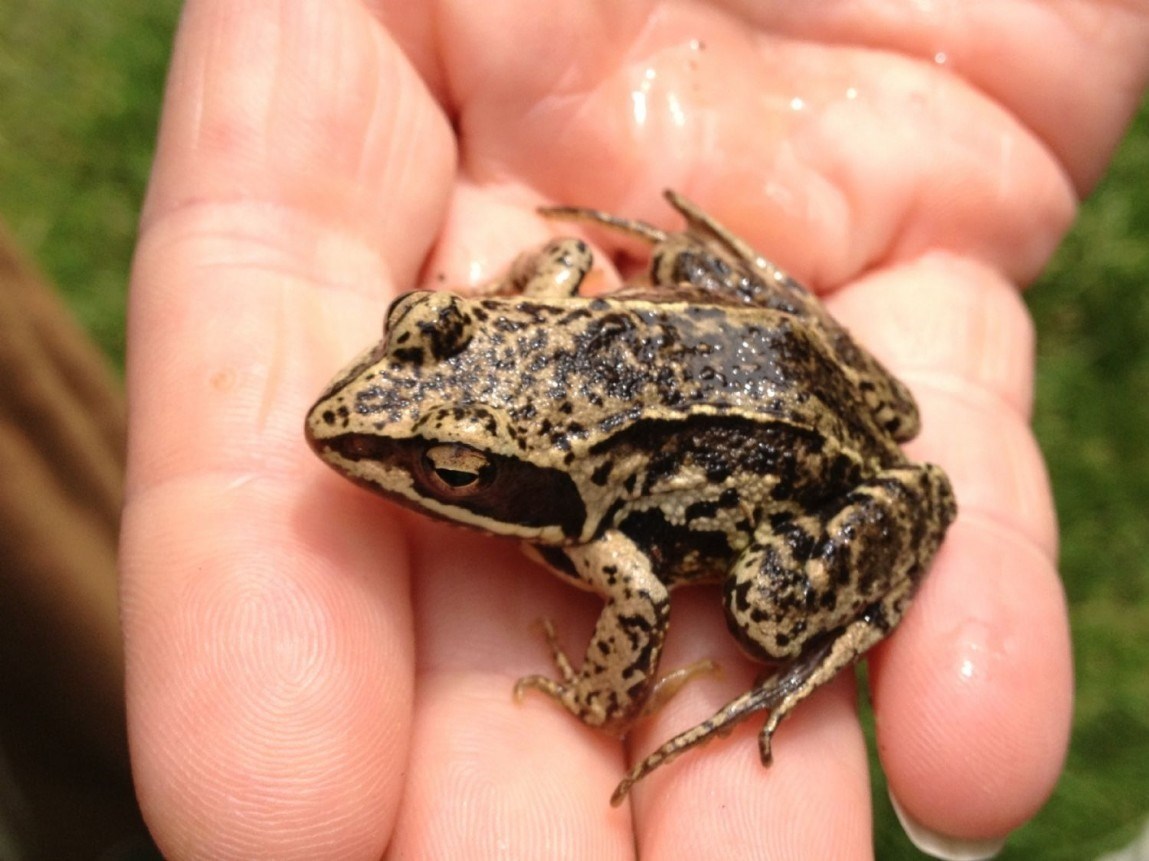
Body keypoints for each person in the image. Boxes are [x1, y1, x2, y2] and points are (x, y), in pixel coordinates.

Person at [121, 2, 1149, 857]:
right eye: (420, 328)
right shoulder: (547, 304)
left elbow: (642, 591)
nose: (381, 441)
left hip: (811, 460)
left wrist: (602, 697)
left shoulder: (599, 532)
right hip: (784, 356)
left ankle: (814, 650)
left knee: (764, 612)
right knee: (675, 268)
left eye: (453, 466)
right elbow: (565, 262)